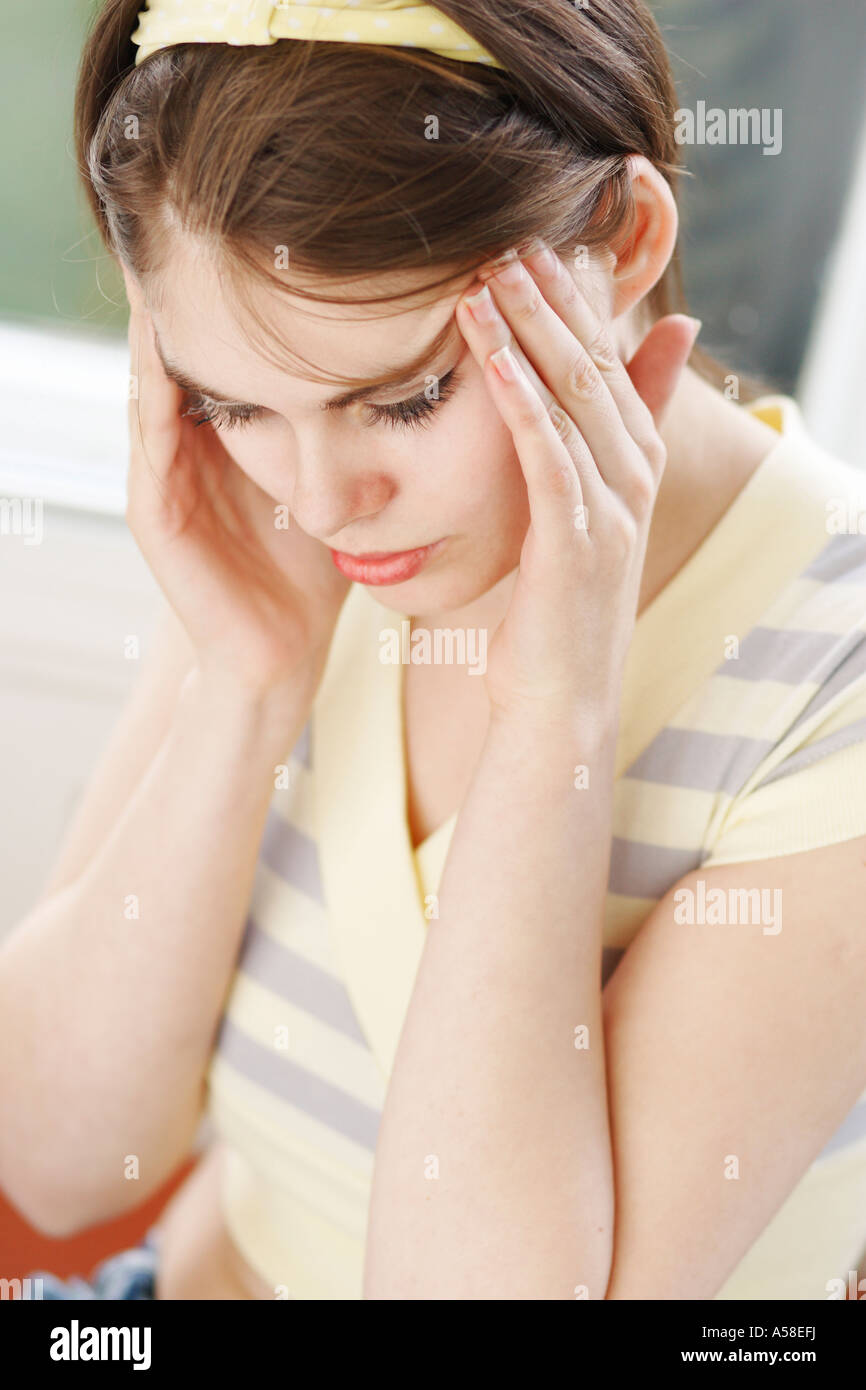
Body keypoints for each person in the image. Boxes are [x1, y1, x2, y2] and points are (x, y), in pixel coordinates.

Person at [2, 0, 866, 1301]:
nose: (322, 497)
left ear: (623, 239)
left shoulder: (827, 666)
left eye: (404, 397)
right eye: (233, 401)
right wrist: (245, 683)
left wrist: (552, 713)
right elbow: (64, 1166)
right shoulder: (287, 524)